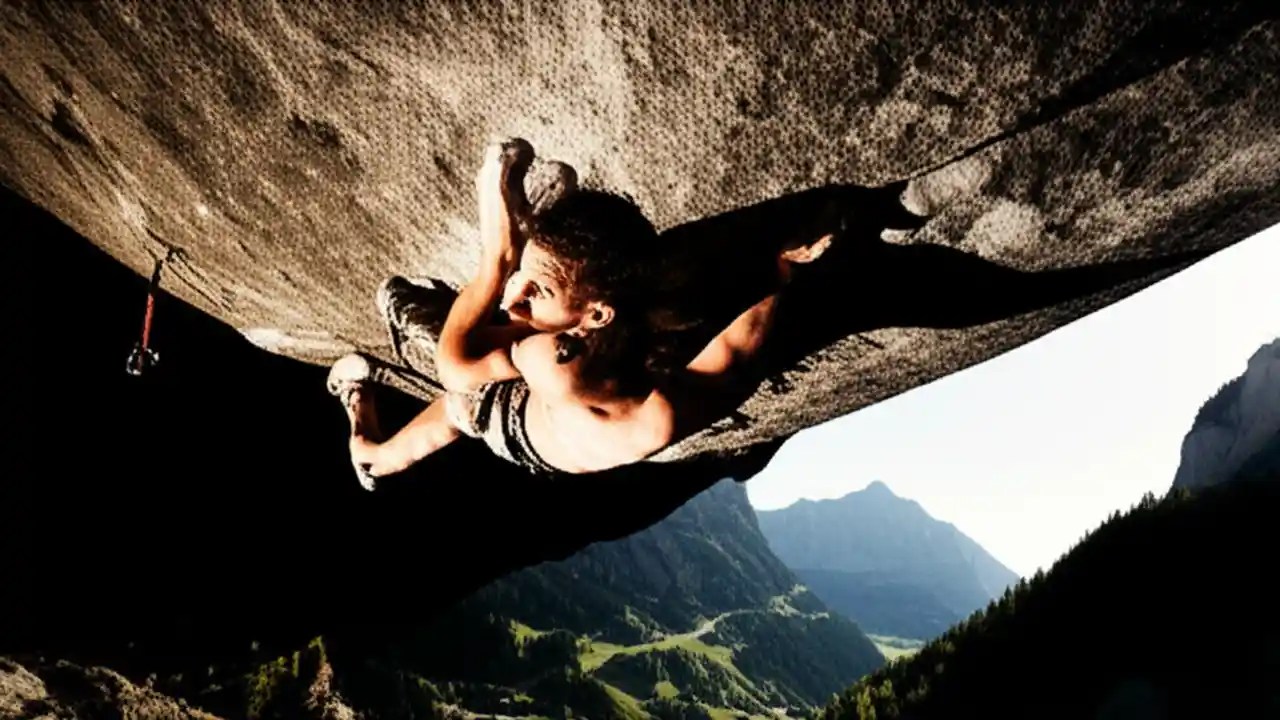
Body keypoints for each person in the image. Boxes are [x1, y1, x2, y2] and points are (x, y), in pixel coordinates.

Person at [327, 138, 830, 490]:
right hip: (557, 403)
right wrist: (781, 270)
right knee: (488, 349)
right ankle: (370, 455)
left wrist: (496, 259)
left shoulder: (554, 363)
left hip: (512, 423)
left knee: (431, 372)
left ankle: (367, 440)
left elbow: (456, 366)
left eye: (539, 287)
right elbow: (735, 356)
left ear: (596, 316)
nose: (518, 296)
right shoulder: (648, 389)